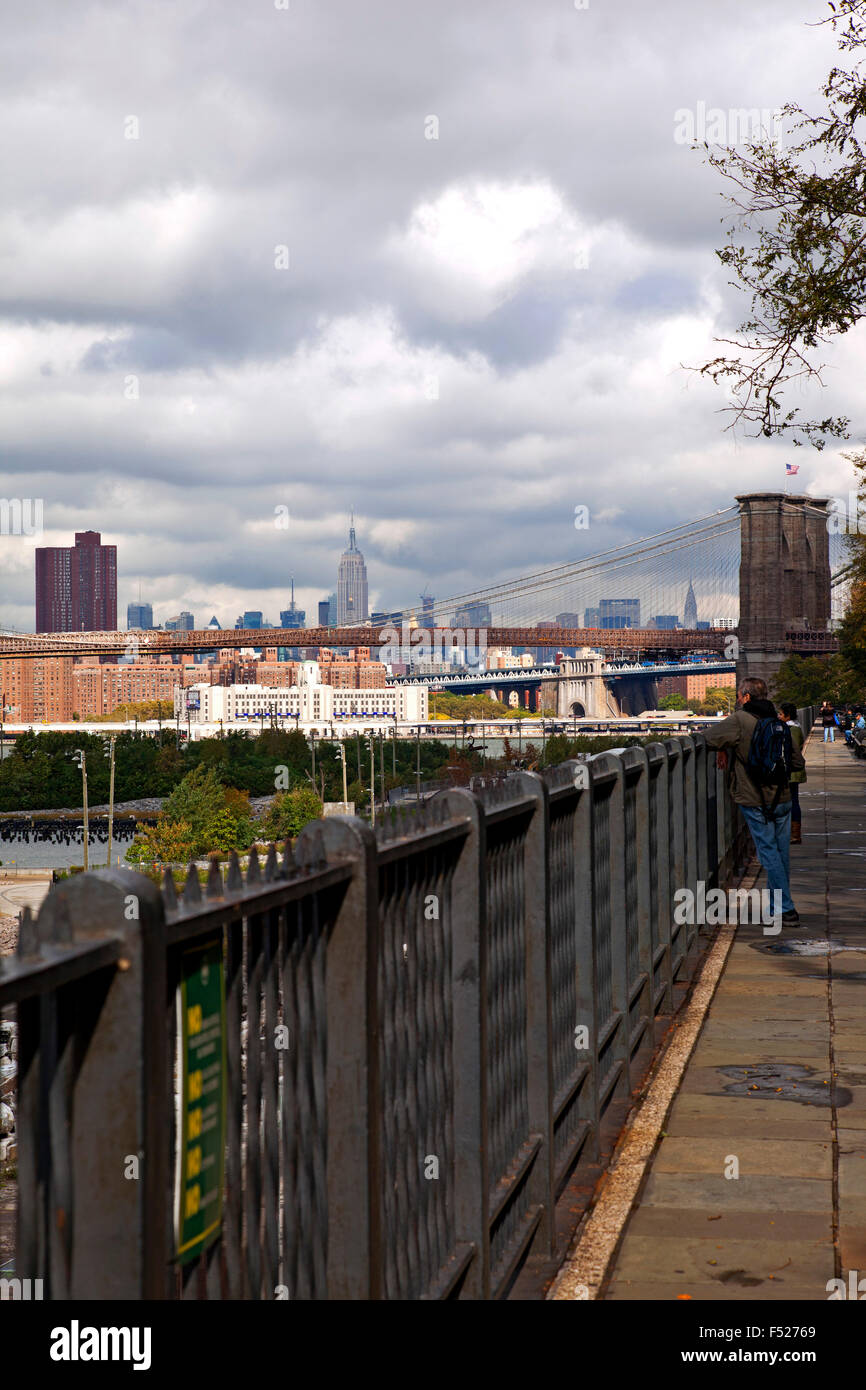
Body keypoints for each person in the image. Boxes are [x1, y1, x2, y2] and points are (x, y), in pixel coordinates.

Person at [705, 677, 805, 928]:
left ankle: (787, 908)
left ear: (747, 697)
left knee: (768, 853)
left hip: (753, 798)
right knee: (780, 854)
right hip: (782, 799)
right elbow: (797, 763)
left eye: (739, 695)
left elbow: (708, 738)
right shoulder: (778, 721)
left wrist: (725, 746)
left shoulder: (740, 719)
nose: (738, 699)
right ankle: (777, 907)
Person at [779, 703, 806, 844]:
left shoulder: (792, 730)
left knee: (793, 801)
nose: (779, 717)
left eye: (781, 714)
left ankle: (795, 834)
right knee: (792, 800)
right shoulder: (795, 727)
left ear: (787, 715)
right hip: (792, 770)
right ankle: (792, 832)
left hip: (791, 771)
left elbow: (791, 751)